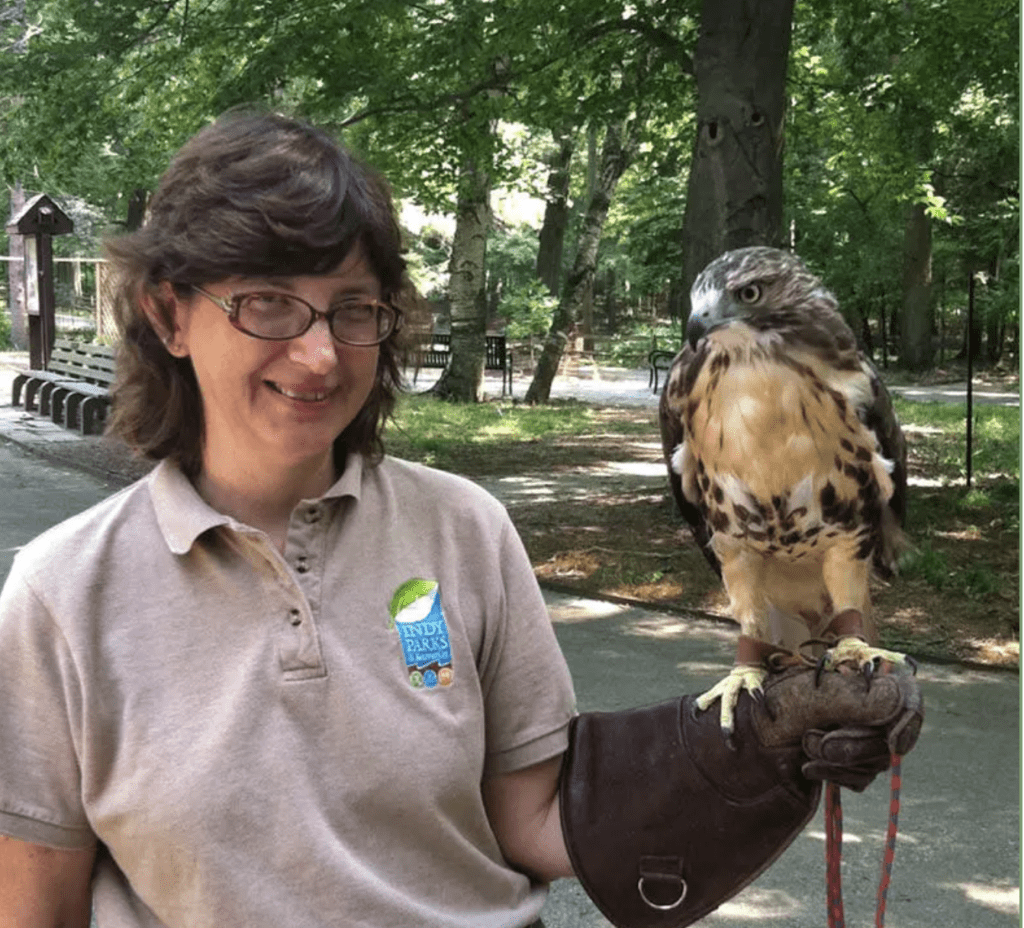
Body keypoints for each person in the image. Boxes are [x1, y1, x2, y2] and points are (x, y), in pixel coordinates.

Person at [0, 110, 921, 928]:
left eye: (354, 308)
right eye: (267, 302)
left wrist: (751, 751)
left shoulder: (463, 531)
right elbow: (32, 906)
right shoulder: (61, 594)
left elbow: (529, 820)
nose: (319, 353)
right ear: (169, 315)